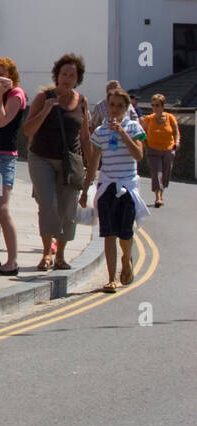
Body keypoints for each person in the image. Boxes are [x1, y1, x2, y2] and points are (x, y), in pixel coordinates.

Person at [23, 53, 91, 271]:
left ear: (77, 78)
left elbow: (85, 136)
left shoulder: (82, 101)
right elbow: (27, 130)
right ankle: (46, 254)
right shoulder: (44, 97)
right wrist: (46, 110)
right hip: (41, 158)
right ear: (57, 75)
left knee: (68, 209)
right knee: (48, 204)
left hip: (70, 161)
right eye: (64, 74)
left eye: (72, 75)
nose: (67, 78)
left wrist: (90, 168)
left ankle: (60, 255)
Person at [83, 88, 149, 292]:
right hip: (107, 185)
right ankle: (112, 278)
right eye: (112, 105)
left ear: (126, 108)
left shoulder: (133, 127)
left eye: (120, 106)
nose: (115, 109)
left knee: (125, 234)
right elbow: (94, 161)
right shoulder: (100, 132)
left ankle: (126, 258)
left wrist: (122, 133)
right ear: (106, 106)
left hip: (127, 186)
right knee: (109, 234)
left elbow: (138, 155)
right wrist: (86, 189)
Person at [0, 57, 27, 274]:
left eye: (3, 75)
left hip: (5, 157)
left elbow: (2, 121)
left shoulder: (15, 95)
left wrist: (1, 93)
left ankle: (12, 259)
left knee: (2, 207)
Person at [140, 93, 180, 207]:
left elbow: (176, 132)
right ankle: (157, 197)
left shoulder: (170, 117)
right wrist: (145, 143)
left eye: (157, 105)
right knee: (156, 173)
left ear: (162, 106)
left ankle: (161, 194)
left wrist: (176, 143)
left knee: (165, 173)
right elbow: (141, 132)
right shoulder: (148, 119)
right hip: (152, 150)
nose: (154, 108)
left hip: (168, 149)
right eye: (153, 105)